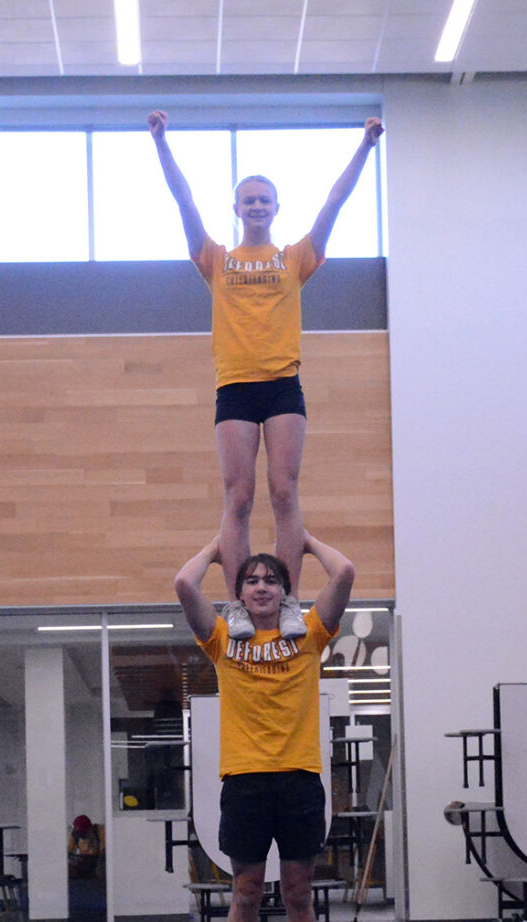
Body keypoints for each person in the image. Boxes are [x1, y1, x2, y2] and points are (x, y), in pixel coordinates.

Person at [149, 110, 381, 641]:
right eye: (248, 199)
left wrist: (366, 146)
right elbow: (183, 201)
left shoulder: (294, 257)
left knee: (284, 491)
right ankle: (236, 606)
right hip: (234, 385)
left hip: (282, 384)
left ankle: (290, 604)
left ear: (275, 208)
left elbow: (334, 202)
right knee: (238, 496)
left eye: (264, 199)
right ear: (236, 209)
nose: (256, 205)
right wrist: (162, 142)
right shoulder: (216, 259)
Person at [174, 529, 355, 922]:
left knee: (299, 892)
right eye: (250, 581)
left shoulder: (310, 634)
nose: (260, 588)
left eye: (270, 581)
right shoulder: (222, 641)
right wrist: (214, 546)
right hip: (246, 780)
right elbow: (184, 583)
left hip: (299, 778)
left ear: (284, 591)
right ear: (239, 593)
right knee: (246, 892)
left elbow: (343, 573)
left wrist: (308, 539)